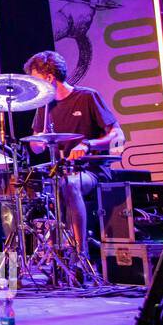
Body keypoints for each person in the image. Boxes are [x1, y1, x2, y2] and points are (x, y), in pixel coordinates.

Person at [23, 50, 124, 257]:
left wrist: (88, 144)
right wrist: (39, 142)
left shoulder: (87, 97)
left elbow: (117, 134)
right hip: (61, 171)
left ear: (49, 78)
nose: (35, 86)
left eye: (36, 80)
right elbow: (35, 145)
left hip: (92, 170)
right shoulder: (45, 108)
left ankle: (80, 252)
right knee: (36, 185)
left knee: (69, 184)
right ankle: (53, 249)